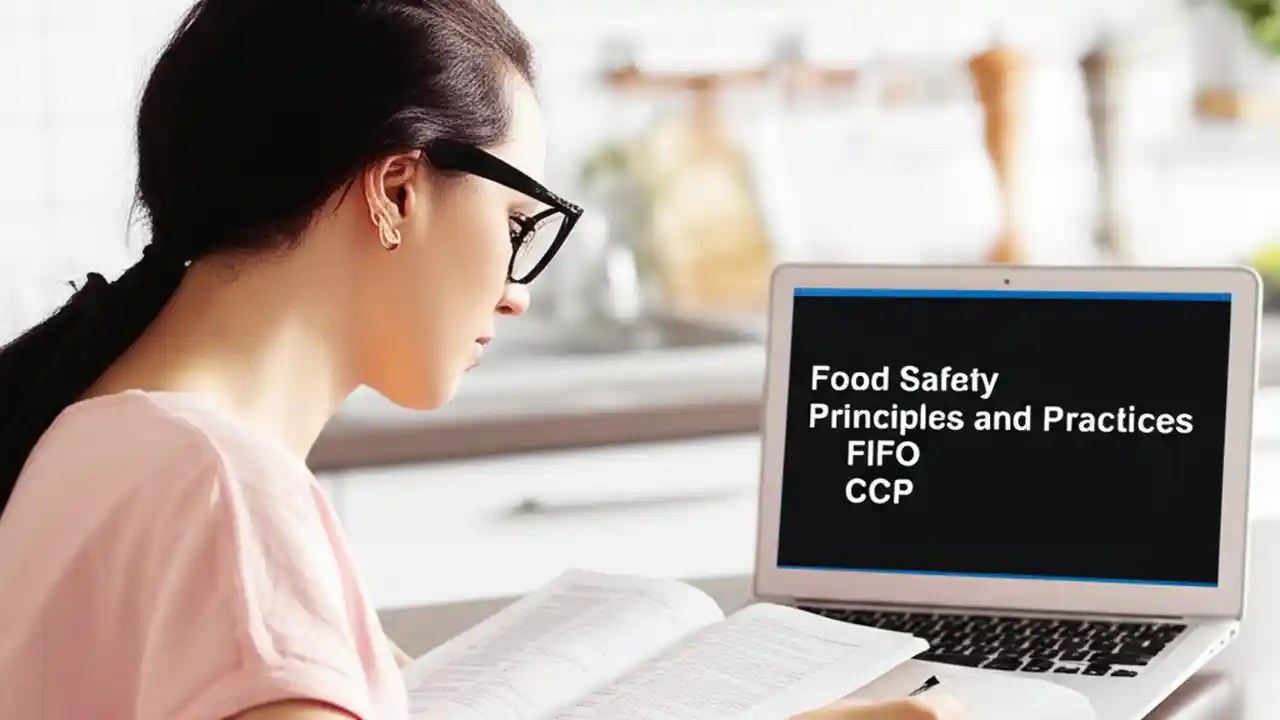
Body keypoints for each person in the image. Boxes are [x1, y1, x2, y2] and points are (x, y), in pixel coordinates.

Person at [0, 1, 964, 718]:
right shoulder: (221, 491)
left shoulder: (99, 431)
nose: (518, 287)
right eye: (514, 222)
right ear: (395, 189)